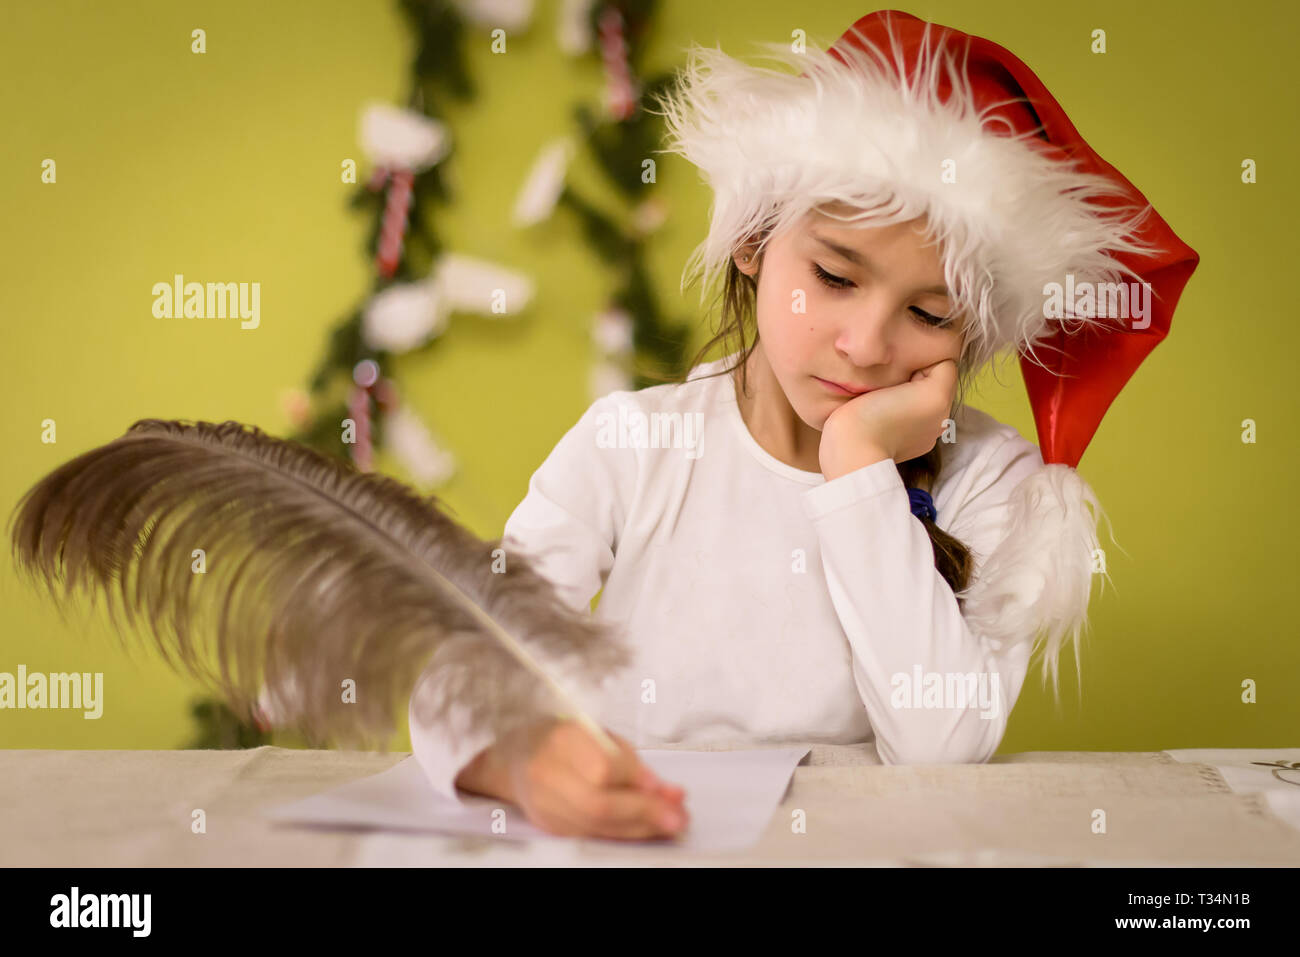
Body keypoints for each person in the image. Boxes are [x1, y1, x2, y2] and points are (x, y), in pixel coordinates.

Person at [408, 9, 1199, 841]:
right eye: (831, 275)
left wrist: (856, 464)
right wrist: (522, 767)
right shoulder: (633, 446)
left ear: (971, 333)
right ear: (752, 240)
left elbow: (941, 744)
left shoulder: (989, 476)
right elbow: (454, 682)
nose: (864, 345)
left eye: (928, 314)